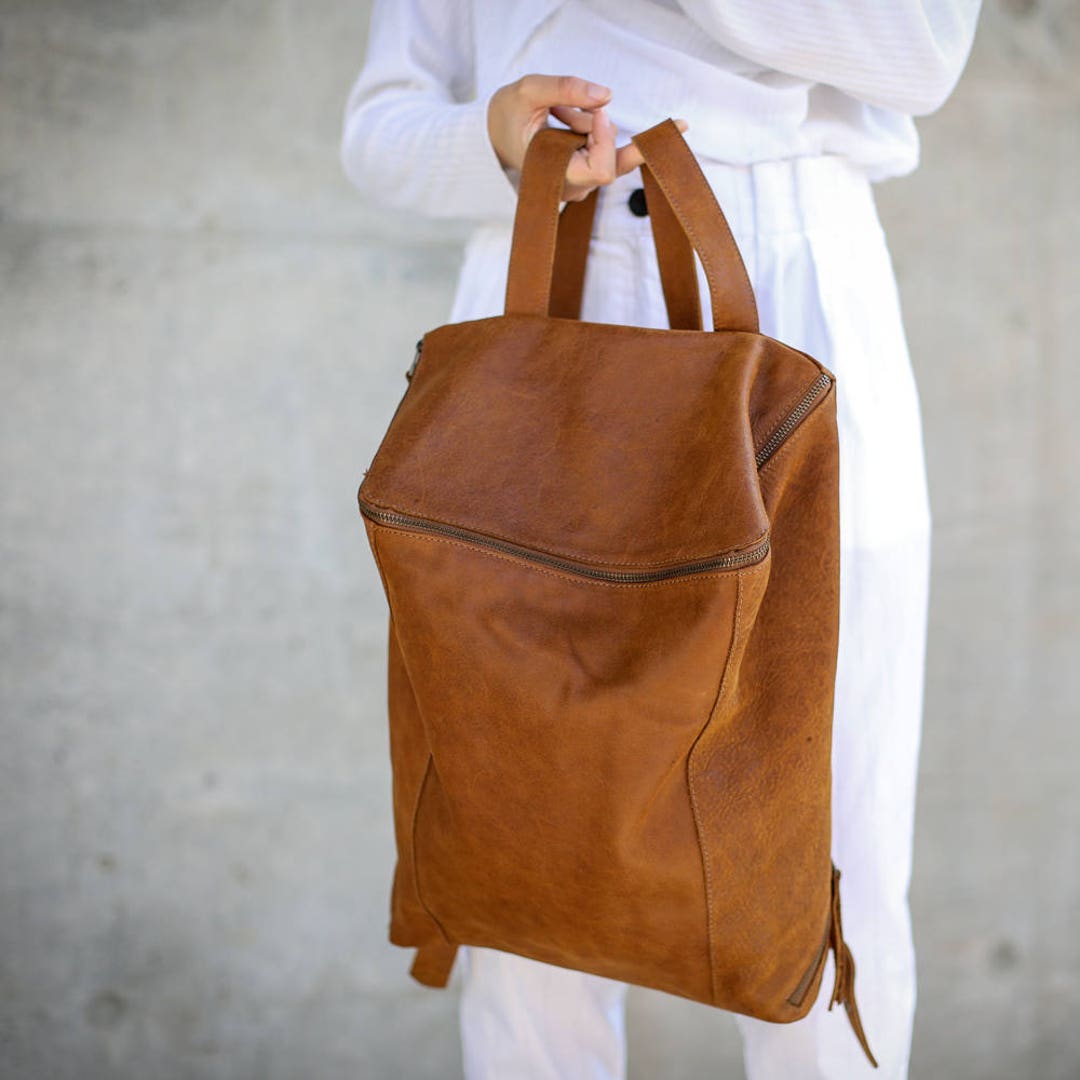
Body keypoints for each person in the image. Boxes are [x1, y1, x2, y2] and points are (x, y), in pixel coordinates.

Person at [340, 2, 983, 1077]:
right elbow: (381, 127)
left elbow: (921, 51)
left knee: (828, 850)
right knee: (518, 851)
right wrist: (491, 139)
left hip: (791, 283)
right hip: (538, 288)